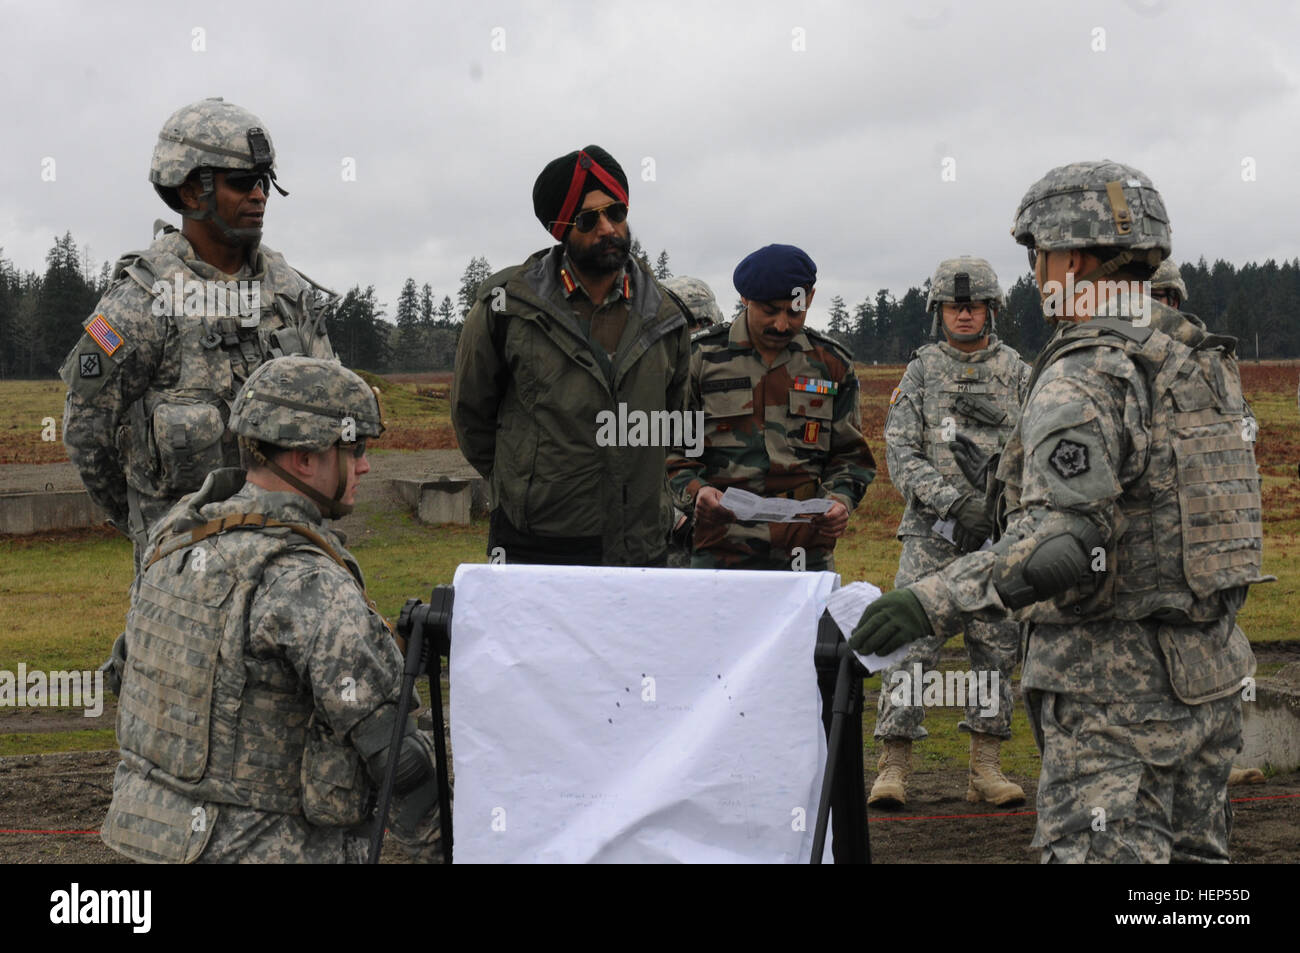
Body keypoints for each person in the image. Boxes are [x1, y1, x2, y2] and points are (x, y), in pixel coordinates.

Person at [852, 161, 1270, 863]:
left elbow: (1065, 542)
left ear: (1071, 256)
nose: (1038, 274)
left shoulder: (1084, 369)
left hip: (1112, 701)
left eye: (1039, 256)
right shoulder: (1201, 361)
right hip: (1210, 682)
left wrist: (930, 600)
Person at [101, 356, 441, 864]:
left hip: (147, 844)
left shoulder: (171, 542)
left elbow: (125, 675)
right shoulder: (306, 583)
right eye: (355, 448)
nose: (366, 465)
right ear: (305, 458)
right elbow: (398, 764)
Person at [59, 97, 335, 572]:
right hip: (183, 579)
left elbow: (333, 414)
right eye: (243, 182)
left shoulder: (287, 292)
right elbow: (87, 433)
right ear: (191, 192)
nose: (260, 195)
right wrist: (146, 527)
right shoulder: (141, 301)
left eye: (265, 182)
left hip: (292, 562)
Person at [451, 145, 692, 567]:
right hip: (536, 544)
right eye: (588, 219)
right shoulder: (507, 309)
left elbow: (672, 417)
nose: (607, 228)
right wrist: (524, 487)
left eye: (615, 212)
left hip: (641, 545)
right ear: (560, 229)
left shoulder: (666, 315)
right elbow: (473, 416)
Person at [870, 257, 1031, 809]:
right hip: (931, 536)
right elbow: (901, 452)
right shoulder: (919, 372)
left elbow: (1035, 449)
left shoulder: (1019, 373)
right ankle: (893, 767)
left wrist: (996, 508)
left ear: (991, 309)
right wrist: (954, 503)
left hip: (998, 537)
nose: (964, 315)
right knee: (912, 647)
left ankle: (985, 768)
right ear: (938, 312)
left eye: (974, 305)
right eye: (953, 306)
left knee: (995, 649)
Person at [666, 244, 876, 571]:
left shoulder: (831, 364)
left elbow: (851, 455)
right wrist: (697, 492)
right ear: (745, 299)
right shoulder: (700, 359)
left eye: (794, 312)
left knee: (808, 624)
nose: (781, 325)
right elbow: (671, 450)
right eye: (770, 310)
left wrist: (840, 501)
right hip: (721, 545)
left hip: (805, 547)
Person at [661, 276, 726, 566]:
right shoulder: (647, 381)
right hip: (665, 540)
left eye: (702, 327)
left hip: (719, 533)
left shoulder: (721, 378)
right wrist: (676, 522)